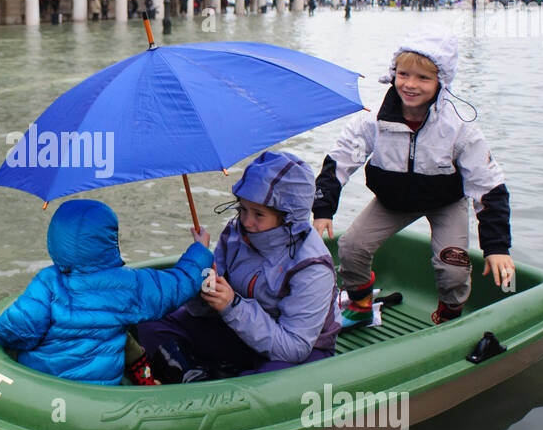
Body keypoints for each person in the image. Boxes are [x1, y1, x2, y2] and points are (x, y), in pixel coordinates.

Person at [312, 36, 514, 327]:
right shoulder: (374, 120)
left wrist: (496, 248)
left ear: (441, 81)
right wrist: (322, 210)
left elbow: (489, 187)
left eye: (423, 78)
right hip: (393, 201)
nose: (410, 84)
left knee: (452, 267)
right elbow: (339, 161)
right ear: (393, 74)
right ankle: (360, 304)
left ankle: (449, 315)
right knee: (351, 248)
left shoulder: (460, 128)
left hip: (446, 202)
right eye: (403, 74)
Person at [134, 152, 341, 383]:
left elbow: (295, 348)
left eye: (259, 214)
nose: (246, 221)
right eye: (243, 209)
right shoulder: (235, 234)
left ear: (289, 217)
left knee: (267, 381)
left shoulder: (311, 266)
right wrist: (201, 271)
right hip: (239, 333)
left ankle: (220, 383)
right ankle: (191, 377)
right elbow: (200, 310)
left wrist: (232, 306)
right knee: (153, 316)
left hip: (296, 352)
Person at [0, 200, 214, 386]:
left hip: (42, 382)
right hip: (97, 390)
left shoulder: (48, 281)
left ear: (55, 240)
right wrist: (200, 250)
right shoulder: (129, 283)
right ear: (110, 241)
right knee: (127, 345)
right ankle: (147, 383)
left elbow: (22, 324)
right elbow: (176, 286)